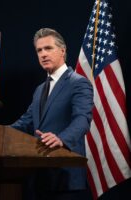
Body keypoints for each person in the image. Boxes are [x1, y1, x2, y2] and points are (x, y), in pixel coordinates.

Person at [11, 28, 94, 200]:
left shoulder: (78, 83)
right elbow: (26, 122)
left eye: (48, 48)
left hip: (65, 179)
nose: (43, 54)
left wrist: (61, 139)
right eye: (39, 50)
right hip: (39, 178)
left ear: (62, 51)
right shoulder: (40, 89)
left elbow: (82, 119)